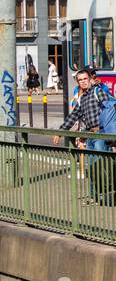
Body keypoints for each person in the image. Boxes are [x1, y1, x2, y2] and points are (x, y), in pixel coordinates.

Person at [54, 66, 116, 204]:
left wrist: (112, 135)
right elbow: (73, 116)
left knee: (101, 166)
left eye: (85, 79)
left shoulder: (97, 92)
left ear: (90, 79)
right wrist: (60, 131)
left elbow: (112, 108)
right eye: (80, 80)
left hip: (101, 134)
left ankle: (104, 196)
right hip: (90, 135)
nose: (83, 82)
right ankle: (95, 196)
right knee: (92, 167)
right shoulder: (82, 98)